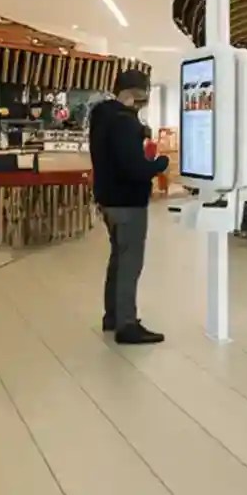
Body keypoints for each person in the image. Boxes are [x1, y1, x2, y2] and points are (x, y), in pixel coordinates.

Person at [90, 69, 170, 344]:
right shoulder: (124, 123)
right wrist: (160, 164)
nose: (142, 104)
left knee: (118, 259)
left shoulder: (102, 118)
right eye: (141, 98)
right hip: (128, 203)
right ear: (132, 94)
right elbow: (134, 168)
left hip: (108, 201)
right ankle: (126, 324)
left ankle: (112, 315)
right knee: (130, 263)